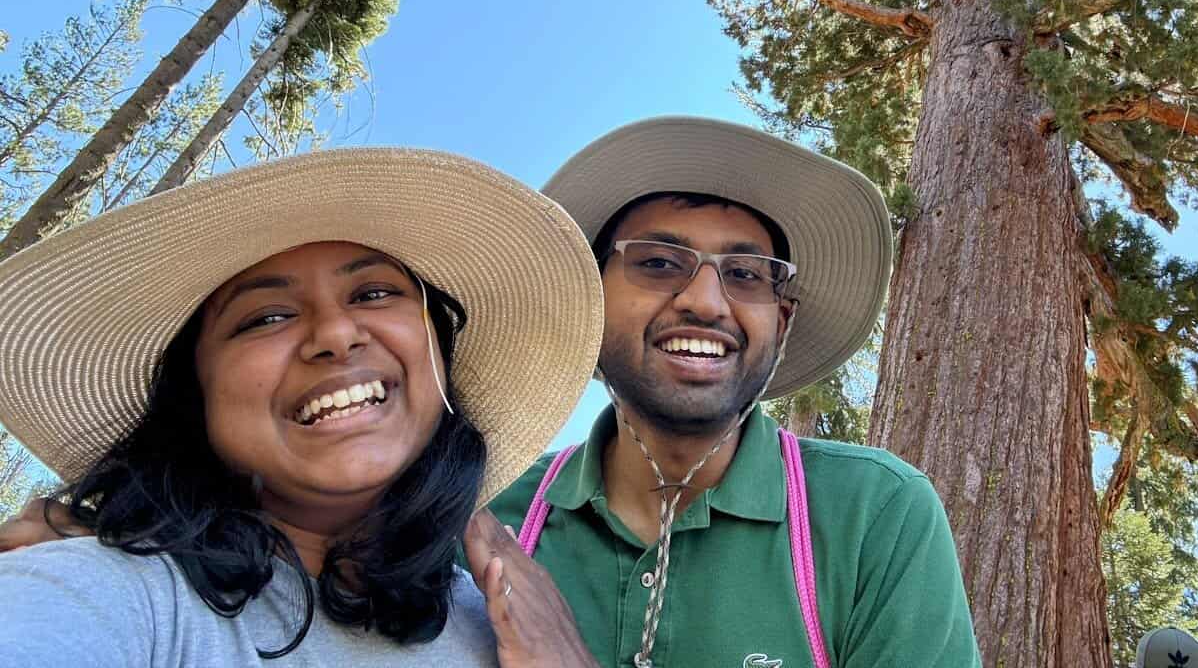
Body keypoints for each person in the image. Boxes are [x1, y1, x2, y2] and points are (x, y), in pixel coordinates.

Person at [0, 147, 604, 667]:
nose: (337, 334)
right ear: (194, 398)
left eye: (373, 293)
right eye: (265, 318)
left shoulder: (508, 630)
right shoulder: (94, 594)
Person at [466, 116, 982, 668]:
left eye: (745, 274)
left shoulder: (873, 514)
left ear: (781, 323)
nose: (707, 303)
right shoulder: (488, 517)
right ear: (591, 302)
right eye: (659, 263)